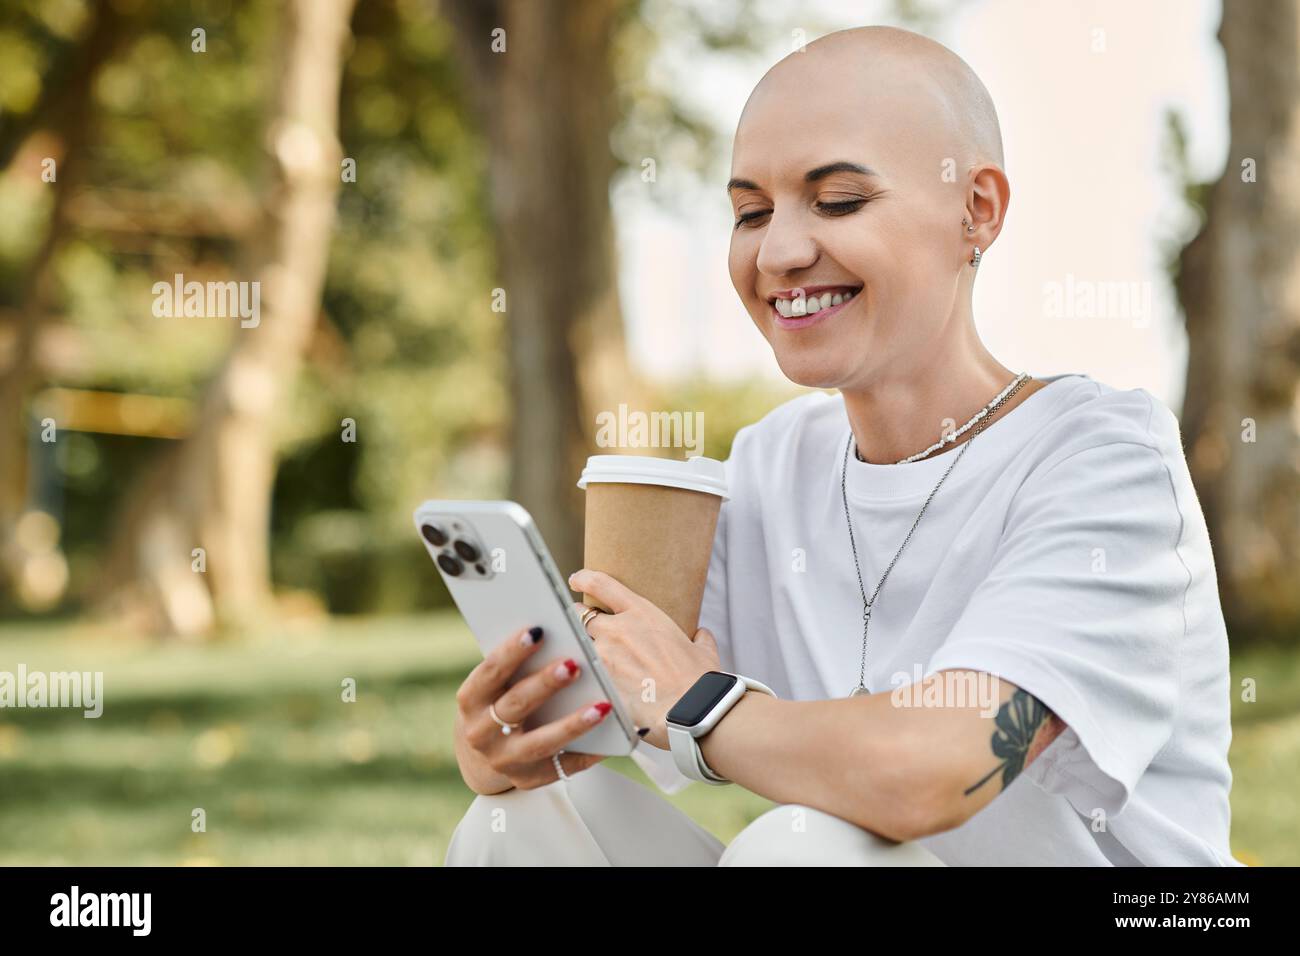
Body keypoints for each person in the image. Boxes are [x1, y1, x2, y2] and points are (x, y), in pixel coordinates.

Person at [444, 25, 1240, 866]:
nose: (779, 251)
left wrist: (699, 705)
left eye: (838, 202)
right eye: (751, 212)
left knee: (804, 846)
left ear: (977, 211)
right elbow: (620, 715)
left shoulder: (1106, 462)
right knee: (526, 824)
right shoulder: (768, 465)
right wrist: (501, 743)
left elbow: (935, 772)